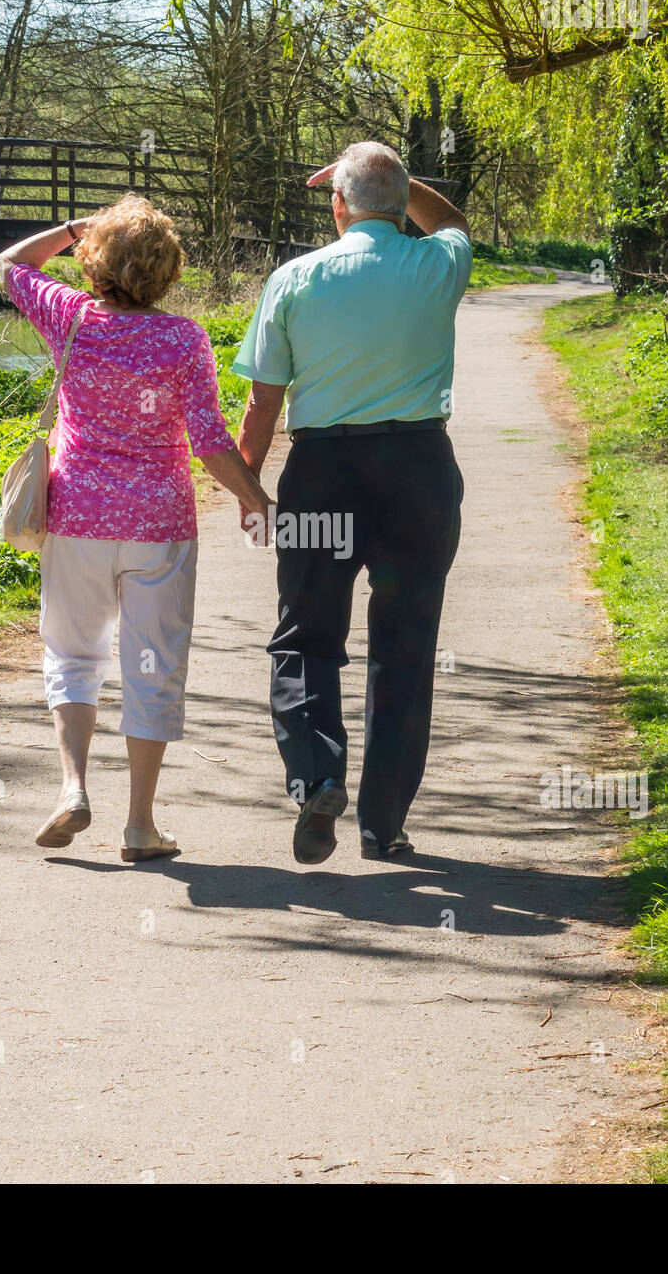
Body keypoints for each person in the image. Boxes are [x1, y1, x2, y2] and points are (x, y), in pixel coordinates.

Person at [0, 195, 272, 862]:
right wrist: (253, 497)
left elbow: (5, 265)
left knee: (72, 656)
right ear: (170, 272)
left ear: (93, 263)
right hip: (159, 524)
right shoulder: (184, 340)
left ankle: (72, 789)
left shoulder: (70, 318)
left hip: (79, 517)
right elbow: (208, 442)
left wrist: (71, 231)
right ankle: (140, 825)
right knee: (154, 665)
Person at [232, 141, 472, 865]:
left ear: (336, 207)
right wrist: (396, 185)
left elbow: (262, 403)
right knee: (405, 647)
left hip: (325, 472)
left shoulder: (293, 279)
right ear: (401, 209)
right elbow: (451, 219)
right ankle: (383, 824)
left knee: (305, 636)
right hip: (418, 473)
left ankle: (317, 778)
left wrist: (250, 488)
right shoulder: (438, 265)